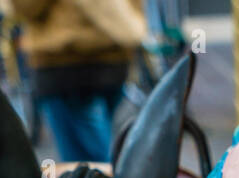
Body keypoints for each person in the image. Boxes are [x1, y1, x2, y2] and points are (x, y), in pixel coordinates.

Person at [3, 0, 145, 163]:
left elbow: (26, 7)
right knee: (104, 152)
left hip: (67, 59)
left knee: (90, 166)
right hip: (116, 47)